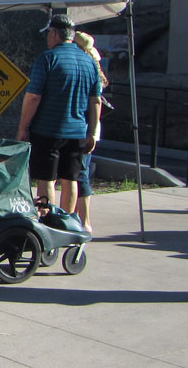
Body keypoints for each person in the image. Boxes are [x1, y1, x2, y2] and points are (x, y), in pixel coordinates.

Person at [16, 14, 102, 214]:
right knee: (70, 179)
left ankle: (48, 220)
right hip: (78, 131)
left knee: (47, 179)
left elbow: (33, 97)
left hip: (48, 130)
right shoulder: (89, 62)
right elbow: (96, 100)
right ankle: (67, 222)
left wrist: (22, 127)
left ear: (54, 33)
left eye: (48, 34)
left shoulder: (48, 58)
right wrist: (93, 132)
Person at [73, 31, 109, 233]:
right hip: (90, 127)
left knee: (80, 173)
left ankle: (84, 221)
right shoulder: (94, 65)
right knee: (79, 172)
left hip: (84, 126)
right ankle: (80, 217)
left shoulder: (85, 68)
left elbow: (93, 102)